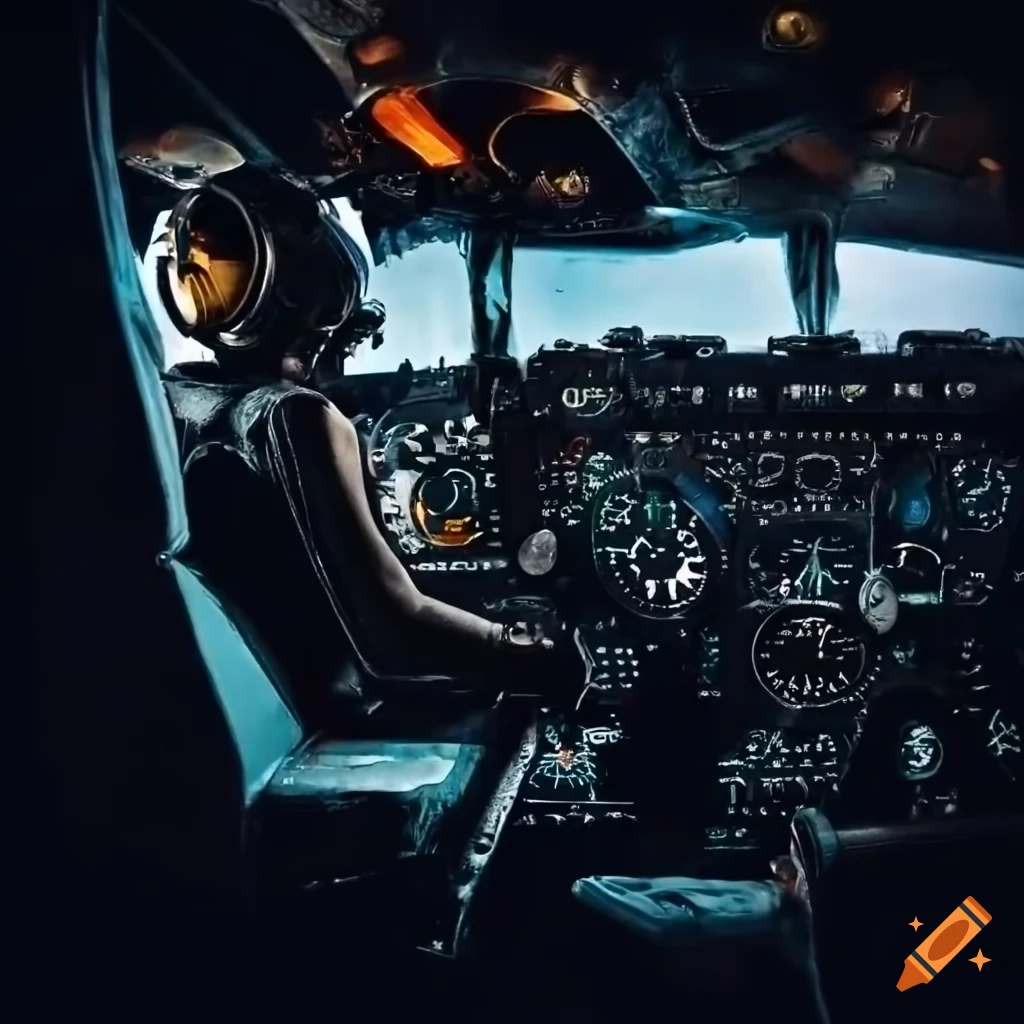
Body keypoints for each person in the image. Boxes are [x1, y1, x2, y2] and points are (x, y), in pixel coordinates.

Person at [134, 156, 554, 726]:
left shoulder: (161, 398)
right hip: (321, 714)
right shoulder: (294, 417)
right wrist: (527, 650)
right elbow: (395, 636)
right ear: (309, 293)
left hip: (220, 715)